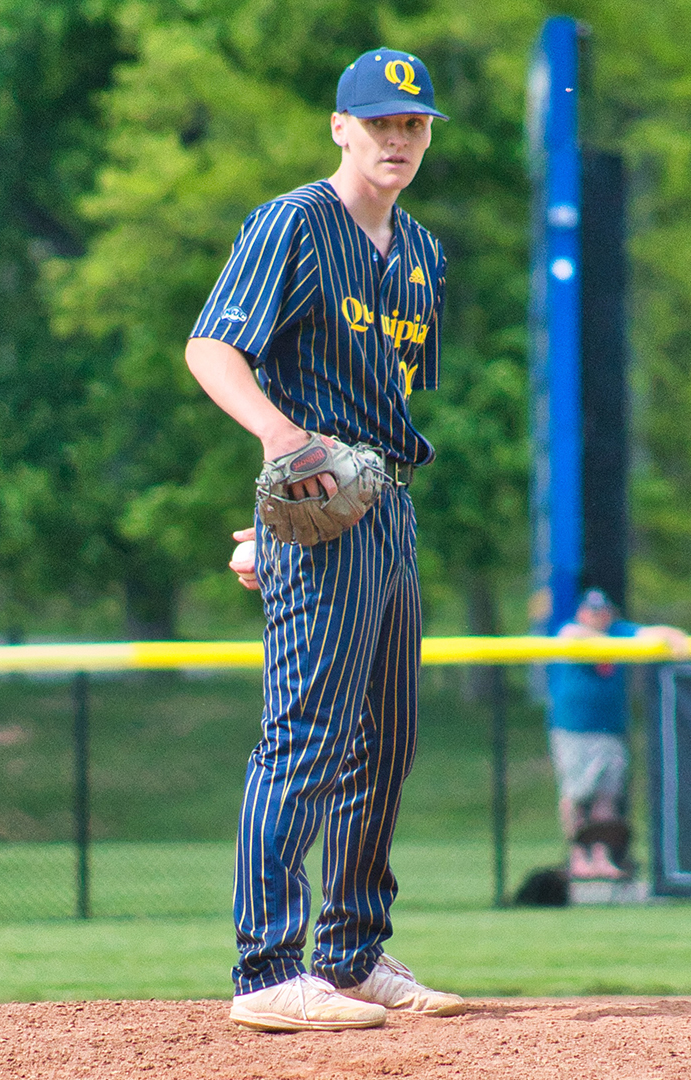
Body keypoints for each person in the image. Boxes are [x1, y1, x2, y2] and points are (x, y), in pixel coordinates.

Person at [190, 47, 464, 1033]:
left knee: (384, 744)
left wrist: (279, 513)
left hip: (383, 503)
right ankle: (266, 969)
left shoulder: (423, 255)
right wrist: (278, 464)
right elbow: (214, 347)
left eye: (414, 123)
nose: (398, 138)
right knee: (303, 736)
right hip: (317, 495)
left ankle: (351, 955)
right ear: (340, 127)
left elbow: (382, 400)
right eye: (380, 122)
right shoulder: (293, 224)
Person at [547, 589, 691, 880]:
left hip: (610, 728)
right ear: (582, 613)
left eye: (602, 612)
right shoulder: (574, 631)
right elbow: (570, 635)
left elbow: (652, 632)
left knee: (606, 797)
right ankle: (578, 858)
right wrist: (615, 641)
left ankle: (601, 857)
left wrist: (675, 635)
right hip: (575, 728)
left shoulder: (619, 632)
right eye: (591, 612)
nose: (597, 617)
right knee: (576, 795)